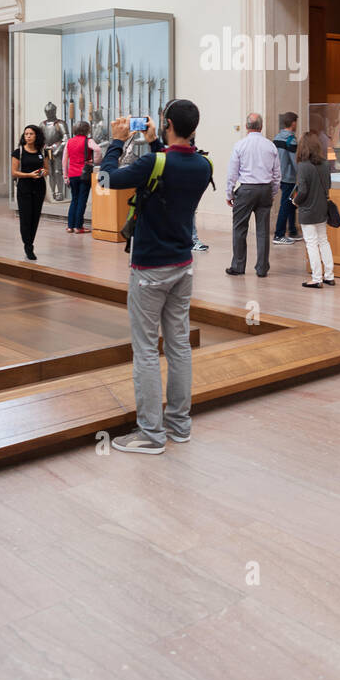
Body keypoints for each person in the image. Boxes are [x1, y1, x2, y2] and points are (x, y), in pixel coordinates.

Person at [99, 102, 212, 455]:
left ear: (166, 124)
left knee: (146, 350)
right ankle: (179, 425)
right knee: (178, 345)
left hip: (149, 269)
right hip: (182, 265)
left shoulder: (155, 162)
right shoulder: (203, 164)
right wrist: (152, 143)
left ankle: (150, 433)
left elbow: (106, 180)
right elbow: (168, 169)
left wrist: (116, 142)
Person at [225, 112, 280, 278]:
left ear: (247, 127)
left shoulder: (240, 145)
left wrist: (229, 193)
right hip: (265, 189)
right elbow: (277, 174)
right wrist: (273, 192)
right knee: (263, 230)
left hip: (246, 189)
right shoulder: (270, 146)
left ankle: (238, 266)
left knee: (240, 228)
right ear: (261, 127)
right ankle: (262, 268)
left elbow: (232, 173)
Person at [294, 131, 335, 288]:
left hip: (308, 210)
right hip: (322, 209)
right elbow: (329, 185)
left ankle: (316, 278)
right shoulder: (325, 164)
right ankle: (329, 275)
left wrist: (296, 201)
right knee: (323, 241)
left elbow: (303, 191)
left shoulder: (303, 166)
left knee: (311, 243)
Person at [11, 124, 48, 260]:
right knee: (26, 218)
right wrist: (29, 175)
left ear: (36, 135)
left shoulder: (42, 151)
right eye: (26, 134)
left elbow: (47, 169)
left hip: (39, 188)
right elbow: (14, 173)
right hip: (24, 188)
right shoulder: (18, 152)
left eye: (31, 134)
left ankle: (30, 241)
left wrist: (44, 172)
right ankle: (28, 245)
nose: (28, 136)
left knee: (35, 217)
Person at [63, 121, 102, 233]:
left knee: (74, 199)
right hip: (84, 174)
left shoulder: (69, 142)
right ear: (87, 130)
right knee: (82, 200)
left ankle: (70, 226)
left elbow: (64, 161)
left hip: (72, 174)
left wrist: (65, 176)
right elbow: (98, 149)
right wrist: (94, 161)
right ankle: (78, 226)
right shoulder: (88, 141)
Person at [272, 111, 301, 244]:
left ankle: (293, 230)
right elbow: (294, 161)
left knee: (291, 204)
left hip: (279, 176)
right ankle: (279, 234)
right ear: (293, 123)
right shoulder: (290, 139)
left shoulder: (277, 137)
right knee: (286, 205)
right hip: (289, 178)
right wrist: (301, 175)